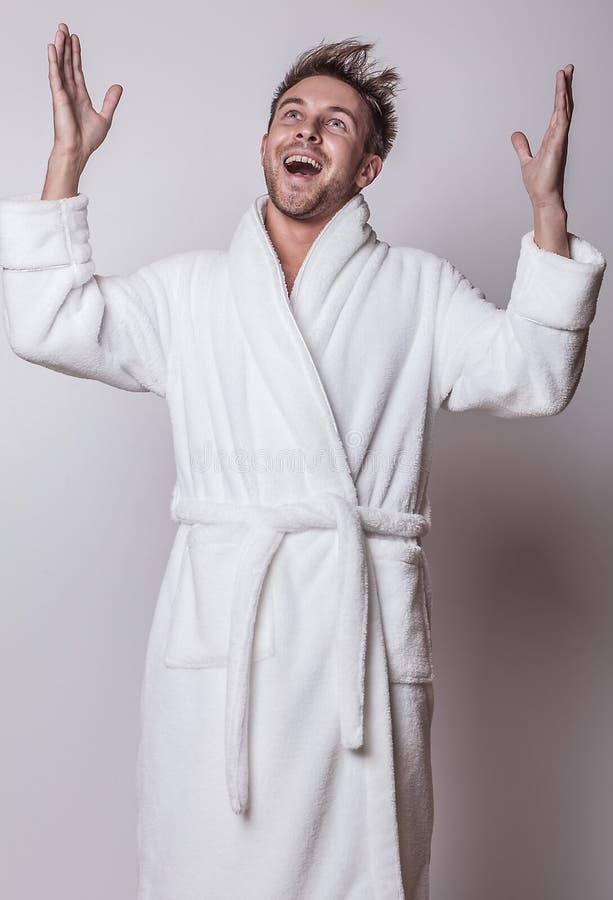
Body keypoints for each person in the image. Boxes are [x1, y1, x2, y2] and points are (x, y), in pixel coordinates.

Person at [0, 23, 606, 900]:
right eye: (292, 115)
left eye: (335, 124)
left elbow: (537, 375)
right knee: (209, 868)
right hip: (226, 650)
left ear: (366, 168)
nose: (306, 132)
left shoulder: (417, 290)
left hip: (354, 646)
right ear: (264, 143)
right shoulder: (191, 292)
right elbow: (48, 323)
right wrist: (66, 162)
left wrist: (548, 217)